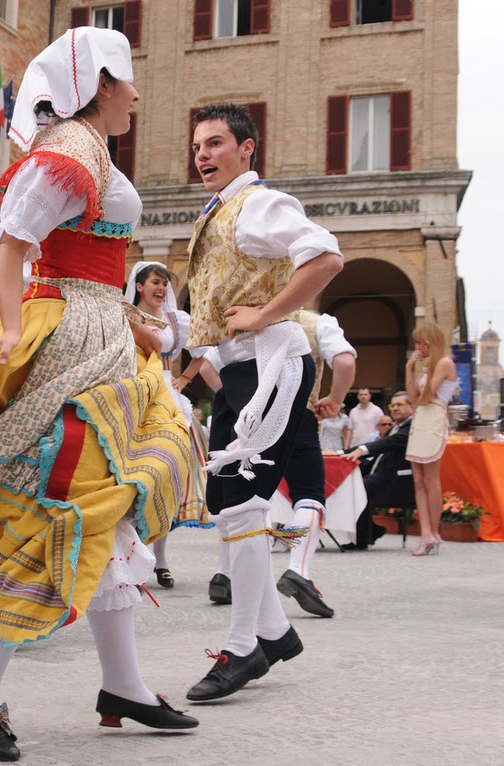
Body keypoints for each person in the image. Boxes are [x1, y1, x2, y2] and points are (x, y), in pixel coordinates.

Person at [0, 27, 198, 762]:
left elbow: (70, 259)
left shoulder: (88, 148)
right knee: (72, 499)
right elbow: (10, 243)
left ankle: (124, 684)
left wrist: (129, 323)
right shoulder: (73, 147)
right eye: (128, 80)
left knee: (107, 506)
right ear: (103, 83)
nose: (136, 93)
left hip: (100, 328)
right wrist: (15, 327)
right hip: (75, 336)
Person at [184, 103, 343, 701]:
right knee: (231, 508)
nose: (202, 154)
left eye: (215, 143)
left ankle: (244, 645)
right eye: (198, 145)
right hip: (241, 370)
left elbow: (326, 256)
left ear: (247, 148)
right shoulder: (222, 209)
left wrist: (265, 314)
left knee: (246, 505)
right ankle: (273, 632)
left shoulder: (258, 203)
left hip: (272, 364)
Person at [204, 310, 356, 619]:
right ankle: (298, 569)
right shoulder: (317, 322)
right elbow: (344, 361)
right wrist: (335, 399)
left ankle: (224, 573)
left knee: (240, 497)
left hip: (246, 418)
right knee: (308, 494)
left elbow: (208, 366)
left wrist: (239, 400)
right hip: (296, 412)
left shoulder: (241, 320)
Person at [125, 261, 212, 589]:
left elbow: (204, 349)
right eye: (156, 282)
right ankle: (133, 558)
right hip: (135, 392)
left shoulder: (177, 320)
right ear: (139, 287)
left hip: (168, 396)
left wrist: (185, 378)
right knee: (136, 480)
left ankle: (159, 559)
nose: (161, 289)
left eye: (165, 284)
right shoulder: (126, 315)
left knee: (167, 478)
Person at [405, 322, 457, 556]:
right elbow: (412, 396)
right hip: (421, 421)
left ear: (428, 342)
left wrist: (418, 397)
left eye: (419, 342)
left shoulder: (444, 363)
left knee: (431, 480)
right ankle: (426, 533)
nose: (418, 347)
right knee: (419, 480)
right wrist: (409, 367)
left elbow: (425, 398)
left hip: (433, 418)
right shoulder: (428, 367)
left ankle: (433, 532)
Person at [342, 392, 416, 550]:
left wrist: (359, 450)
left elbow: (387, 443)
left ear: (412, 407)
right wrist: (342, 453)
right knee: (353, 483)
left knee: (359, 487)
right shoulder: (395, 428)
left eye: (399, 405)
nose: (395, 408)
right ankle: (370, 531)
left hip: (399, 481)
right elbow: (380, 447)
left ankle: (364, 537)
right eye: (392, 405)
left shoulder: (412, 427)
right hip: (383, 476)